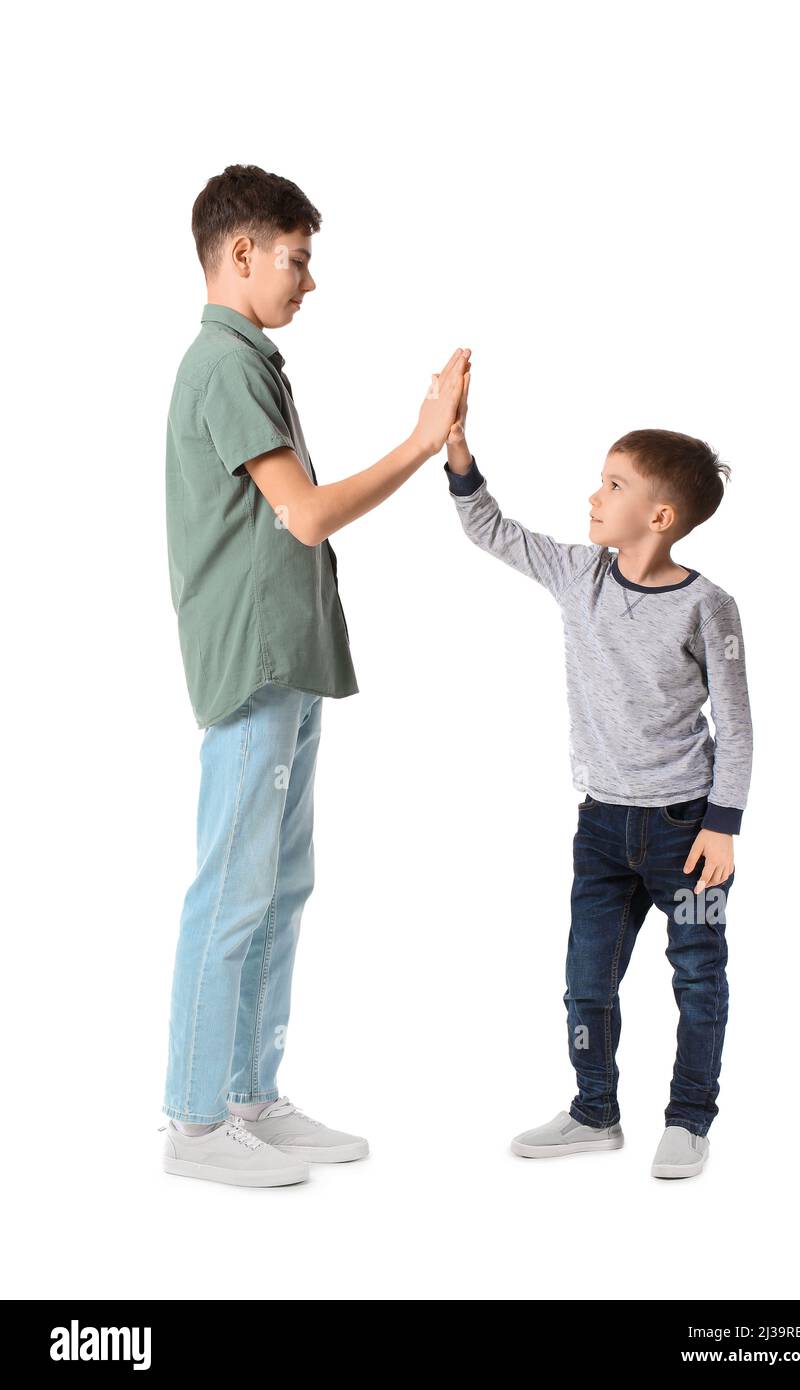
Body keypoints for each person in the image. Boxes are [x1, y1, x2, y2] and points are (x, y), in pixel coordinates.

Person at [160, 163, 470, 1187]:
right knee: (233, 888)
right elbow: (303, 514)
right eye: (297, 257)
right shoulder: (221, 365)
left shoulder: (253, 359)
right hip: (252, 662)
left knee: (279, 884)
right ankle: (197, 1124)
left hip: (287, 658)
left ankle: (248, 1095)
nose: (308, 279)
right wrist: (422, 441)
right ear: (239, 252)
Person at [443, 412, 753, 1180]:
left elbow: (737, 726)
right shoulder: (578, 574)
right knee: (587, 982)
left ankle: (689, 1120)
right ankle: (593, 1111)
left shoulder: (707, 606)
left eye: (613, 485)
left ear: (660, 515)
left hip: (688, 835)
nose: (593, 495)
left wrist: (723, 825)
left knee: (698, 976)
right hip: (602, 829)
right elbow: (490, 528)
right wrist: (457, 457)